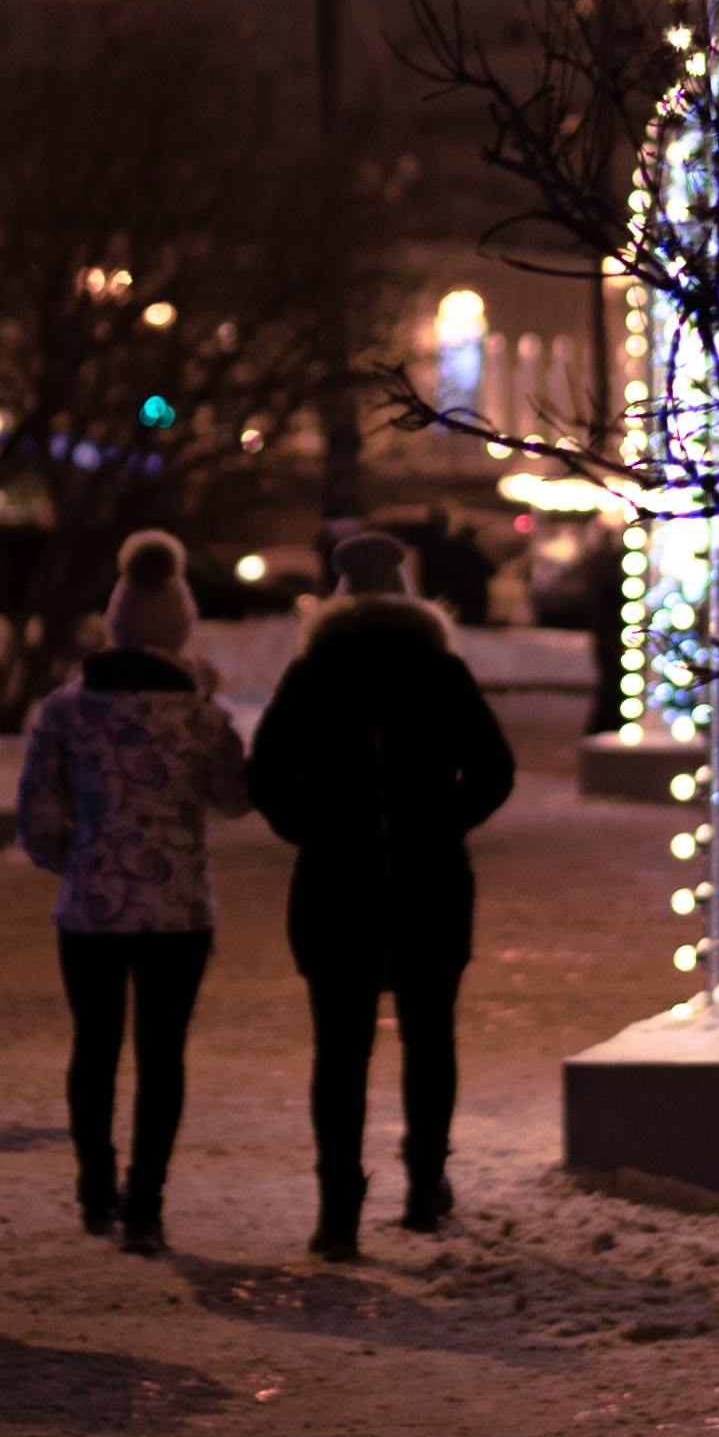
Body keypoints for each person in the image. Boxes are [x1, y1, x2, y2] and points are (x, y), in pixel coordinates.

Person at [247, 527, 521, 1255]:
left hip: (335, 885)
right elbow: (494, 771)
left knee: (339, 1050)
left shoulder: (313, 673)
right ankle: (425, 1188)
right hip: (431, 883)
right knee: (431, 1038)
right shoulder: (440, 669)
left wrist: (317, 828)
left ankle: (338, 1208)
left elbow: (266, 775)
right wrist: (439, 824)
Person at [14, 528, 245, 1257]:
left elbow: (38, 816)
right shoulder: (200, 717)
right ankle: (146, 1203)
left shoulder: (65, 712)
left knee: (95, 1046)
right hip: (178, 909)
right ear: (181, 627)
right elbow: (236, 799)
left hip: (90, 909)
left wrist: (81, 860)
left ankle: (94, 1188)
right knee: (162, 1053)